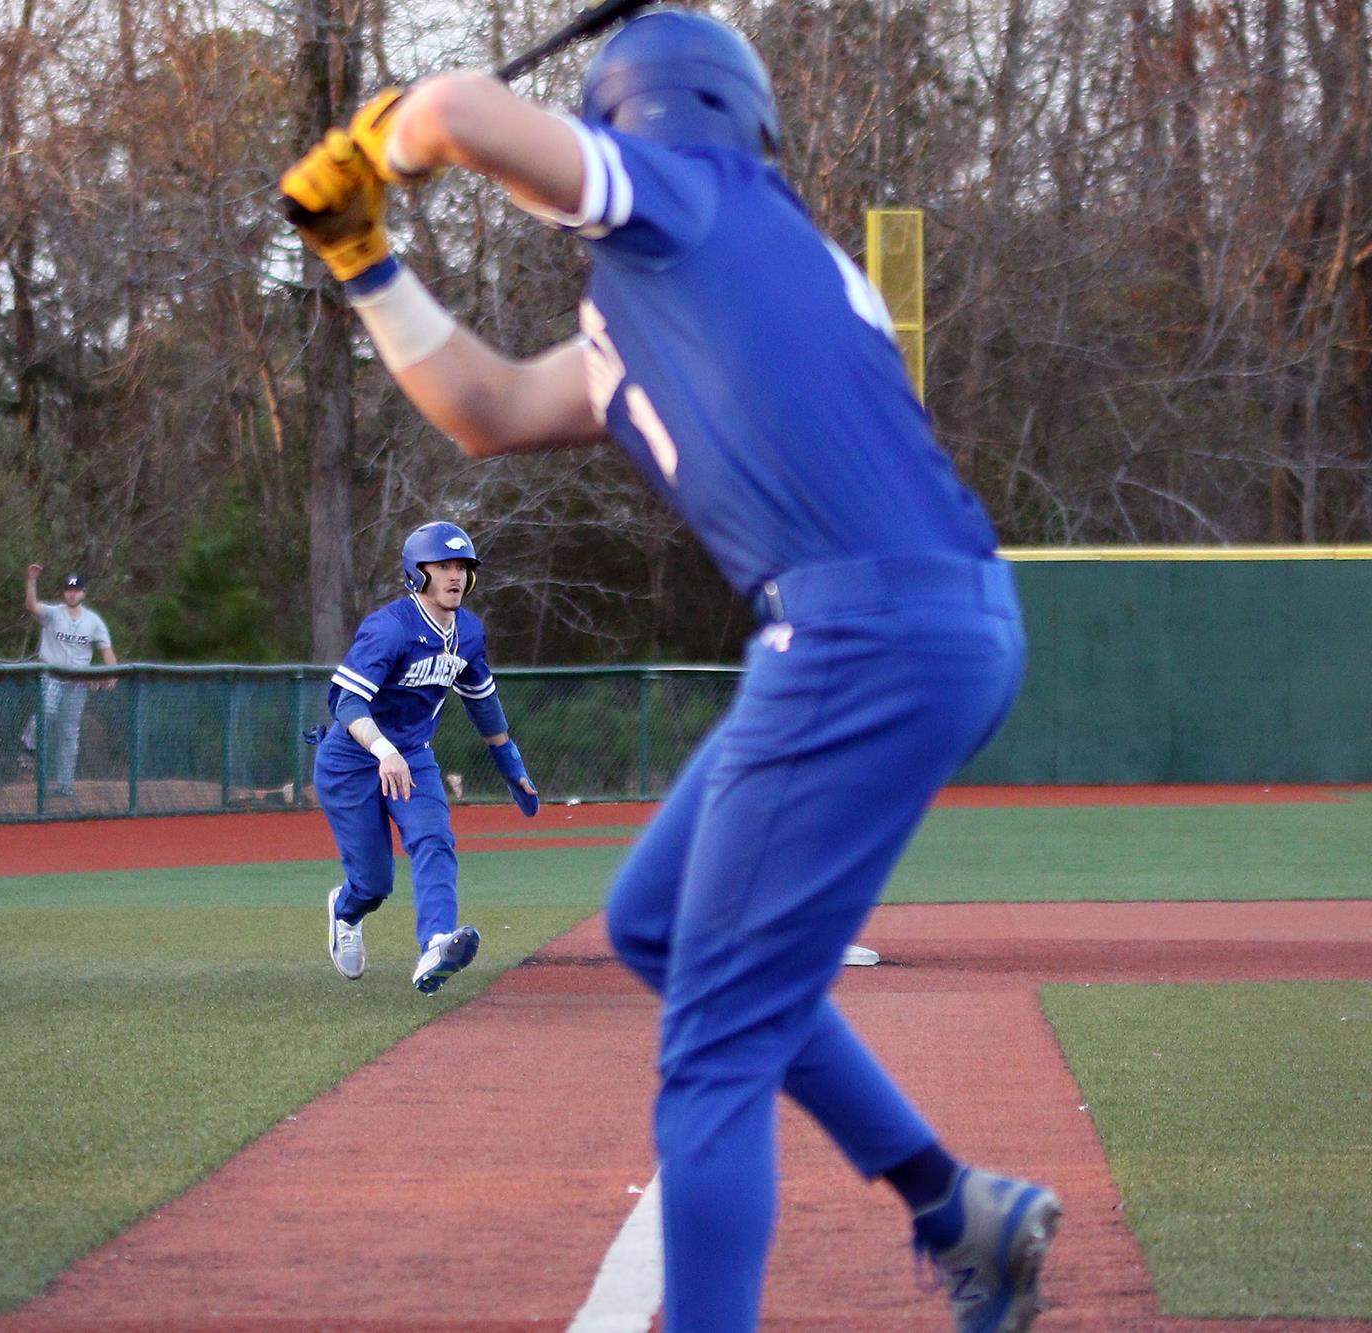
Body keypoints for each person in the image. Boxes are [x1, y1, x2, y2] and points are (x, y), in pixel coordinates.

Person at [281, 13, 1058, 1331]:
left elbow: (467, 117)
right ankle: (952, 1206)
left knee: (716, 1044)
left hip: (862, 633)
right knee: (656, 926)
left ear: (630, 120)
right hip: (902, 625)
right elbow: (491, 409)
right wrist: (365, 258)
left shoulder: (699, 200)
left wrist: (385, 137)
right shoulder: (689, 281)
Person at [315, 521, 540, 995]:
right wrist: (382, 749)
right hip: (351, 758)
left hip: (412, 757)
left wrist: (511, 765)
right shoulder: (390, 628)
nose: (455, 576)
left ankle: (436, 943)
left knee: (434, 839)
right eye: (442, 566)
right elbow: (345, 703)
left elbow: (482, 701)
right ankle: (346, 911)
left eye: (461, 566)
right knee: (374, 883)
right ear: (418, 575)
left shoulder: (469, 633)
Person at [21, 564, 118, 797]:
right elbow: (31, 606)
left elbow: (106, 650)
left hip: (78, 683)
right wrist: (32, 580)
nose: (71, 593)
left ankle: (65, 785)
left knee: (69, 733)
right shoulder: (54, 614)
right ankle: (27, 744)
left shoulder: (93, 621)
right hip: (52, 675)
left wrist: (112, 674)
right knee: (47, 712)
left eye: (76, 590)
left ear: (83, 593)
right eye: (68, 590)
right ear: (64, 593)